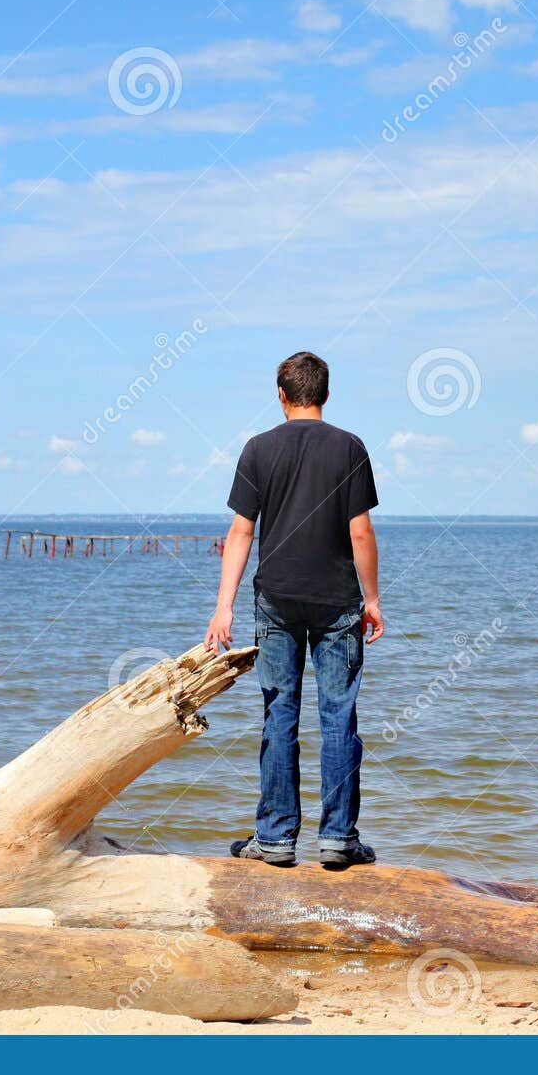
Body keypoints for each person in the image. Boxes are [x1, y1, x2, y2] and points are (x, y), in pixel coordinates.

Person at [204, 351, 384, 869]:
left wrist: (224, 608)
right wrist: (372, 599)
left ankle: (277, 839)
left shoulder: (258, 449)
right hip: (337, 601)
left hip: (276, 599)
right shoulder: (349, 447)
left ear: (281, 394)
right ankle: (338, 840)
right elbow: (360, 532)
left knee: (278, 714)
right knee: (338, 716)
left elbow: (241, 531)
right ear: (324, 394)